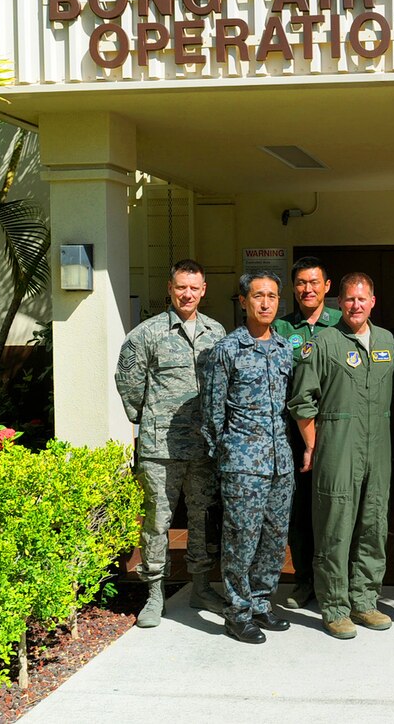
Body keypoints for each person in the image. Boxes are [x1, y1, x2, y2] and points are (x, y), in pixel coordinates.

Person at [288, 272, 394, 639]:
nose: (355, 305)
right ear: (339, 302)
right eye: (349, 299)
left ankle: (365, 600)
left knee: (374, 523)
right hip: (337, 445)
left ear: (373, 301)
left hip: (377, 446)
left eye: (362, 299)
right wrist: (312, 444)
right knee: (335, 527)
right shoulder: (323, 342)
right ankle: (335, 606)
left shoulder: (386, 341)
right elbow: (302, 401)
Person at [115, 259, 226, 628]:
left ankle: (200, 586)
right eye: (181, 287)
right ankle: (154, 593)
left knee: (202, 519)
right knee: (157, 522)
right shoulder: (146, 334)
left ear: (204, 289)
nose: (187, 294)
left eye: (194, 287)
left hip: (203, 448)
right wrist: (150, 420)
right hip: (160, 449)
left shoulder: (216, 333)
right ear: (170, 287)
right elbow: (129, 385)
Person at [201, 271, 295, 644]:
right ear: (243, 302)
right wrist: (228, 453)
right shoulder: (228, 350)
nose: (266, 303)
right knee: (241, 540)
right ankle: (237, 612)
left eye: (272, 295)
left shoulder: (285, 349)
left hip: (279, 463)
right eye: (258, 296)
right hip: (243, 465)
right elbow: (212, 412)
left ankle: (260, 602)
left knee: (274, 539)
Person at [273, 256, 342, 610]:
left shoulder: (343, 325)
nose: (307, 289)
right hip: (293, 433)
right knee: (299, 511)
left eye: (314, 282)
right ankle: (304, 581)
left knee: (335, 509)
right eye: (301, 282)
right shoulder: (282, 329)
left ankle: (335, 580)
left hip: (336, 432)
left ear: (327, 287)